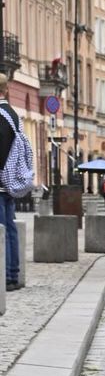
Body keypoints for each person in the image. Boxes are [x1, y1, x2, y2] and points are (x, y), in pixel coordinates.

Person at [0, 75, 20, 290]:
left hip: (0, 180)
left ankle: (5, 276)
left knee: (2, 229)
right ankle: (13, 272)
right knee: (11, 228)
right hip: (11, 181)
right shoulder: (13, 114)